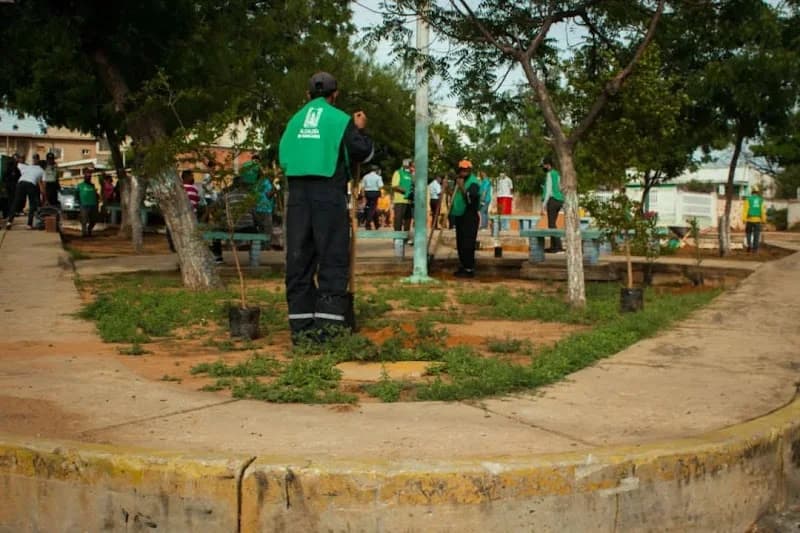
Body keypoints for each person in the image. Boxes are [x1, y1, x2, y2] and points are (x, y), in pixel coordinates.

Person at [279, 71, 373, 342]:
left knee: (299, 260)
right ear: (335, 95)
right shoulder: (341, 120)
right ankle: (329, 331)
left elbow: (283, 157)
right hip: (328, 193)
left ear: (307, 95)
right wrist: (360, 129)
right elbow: (363, 153)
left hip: (297, 196)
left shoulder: (294, 120)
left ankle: (300, 329)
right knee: (332, 258)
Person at [452, 160, 481, 278]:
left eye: (466, 170)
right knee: (460, 243)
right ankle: (464, 266)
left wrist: (462, 186)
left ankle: (469, 268)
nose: (463, 172)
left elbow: (470, 198)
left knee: (467, 243)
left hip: (470, 216)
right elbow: (456, 195)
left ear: (469, 170)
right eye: (461, 170)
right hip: (460, 215)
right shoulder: (461, 181)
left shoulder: (473, 182)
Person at [5, 155, 44, 229]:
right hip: (31, 184)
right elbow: (42, 186)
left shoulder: (28, 166)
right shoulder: (42, 171)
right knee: (32, 204)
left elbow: (20, 168)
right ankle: (29, 224)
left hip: (21, 183)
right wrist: (44, 197)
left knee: (15, 202)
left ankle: (9, 222)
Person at [541, 158, 564, 252]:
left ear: (548, 165)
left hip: (553, 200)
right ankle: (553, 246)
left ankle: (557, 247)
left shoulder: (549, 174)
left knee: (551, 224)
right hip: (559, 200)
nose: (543, 167)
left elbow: (549, 190)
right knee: (552, 223)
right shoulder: (557, 174)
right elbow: (560, 187)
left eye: (543, 165)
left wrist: (543, 205)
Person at [391, 158, 414, 233]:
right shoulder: (398, 173)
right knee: (398, 219)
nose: (412, 167)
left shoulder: (410, 174)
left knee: (408, 219)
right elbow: (395, 186)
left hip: (409, 201)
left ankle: (406, 237)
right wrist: (406, 191)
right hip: (400, 200)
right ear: (406, 165)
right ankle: (398, 238)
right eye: (411, 165)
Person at [253, 173, 275, 247]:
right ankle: (266, 246)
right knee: (267, 229)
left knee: (261, 228)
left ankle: (261, 246)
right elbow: (269, 195)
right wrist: (275, 189)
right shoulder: (266, 182)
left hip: (257, 209)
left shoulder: (256, 183)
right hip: (266, 209)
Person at [742, 185, 766, 253]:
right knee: (756, 235)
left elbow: (745, 210)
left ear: (751, 192)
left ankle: (749, 245)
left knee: (748, 233)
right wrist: (764, 220)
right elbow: (762, 210)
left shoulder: (748, 199)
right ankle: (755, 249)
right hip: (758, 220)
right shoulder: (760, 200)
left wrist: (744, 219)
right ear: (757, 192)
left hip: (749, 220)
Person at [75, 168, 98, 237]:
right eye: (87, 175)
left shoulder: (92, 185)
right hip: (84, 205)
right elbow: (76, 194)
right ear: (84, 176)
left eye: (89, 175)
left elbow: (95, 195)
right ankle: (84, 233)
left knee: (94, 220)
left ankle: (89, 229)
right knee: (84, 220)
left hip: (93, 205)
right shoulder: (80, 185)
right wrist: (79, 202)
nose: (88, 176)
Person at [360, 166, 383, 230]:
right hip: (375, 193)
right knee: (373, 208)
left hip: (367, 193)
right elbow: (380, 186)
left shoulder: (365, 176)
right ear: (376, 170)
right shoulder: (378, 177)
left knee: (371, 208)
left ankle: (376, 224)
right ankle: (368, 222)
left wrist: (363, 195)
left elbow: (362, 187)